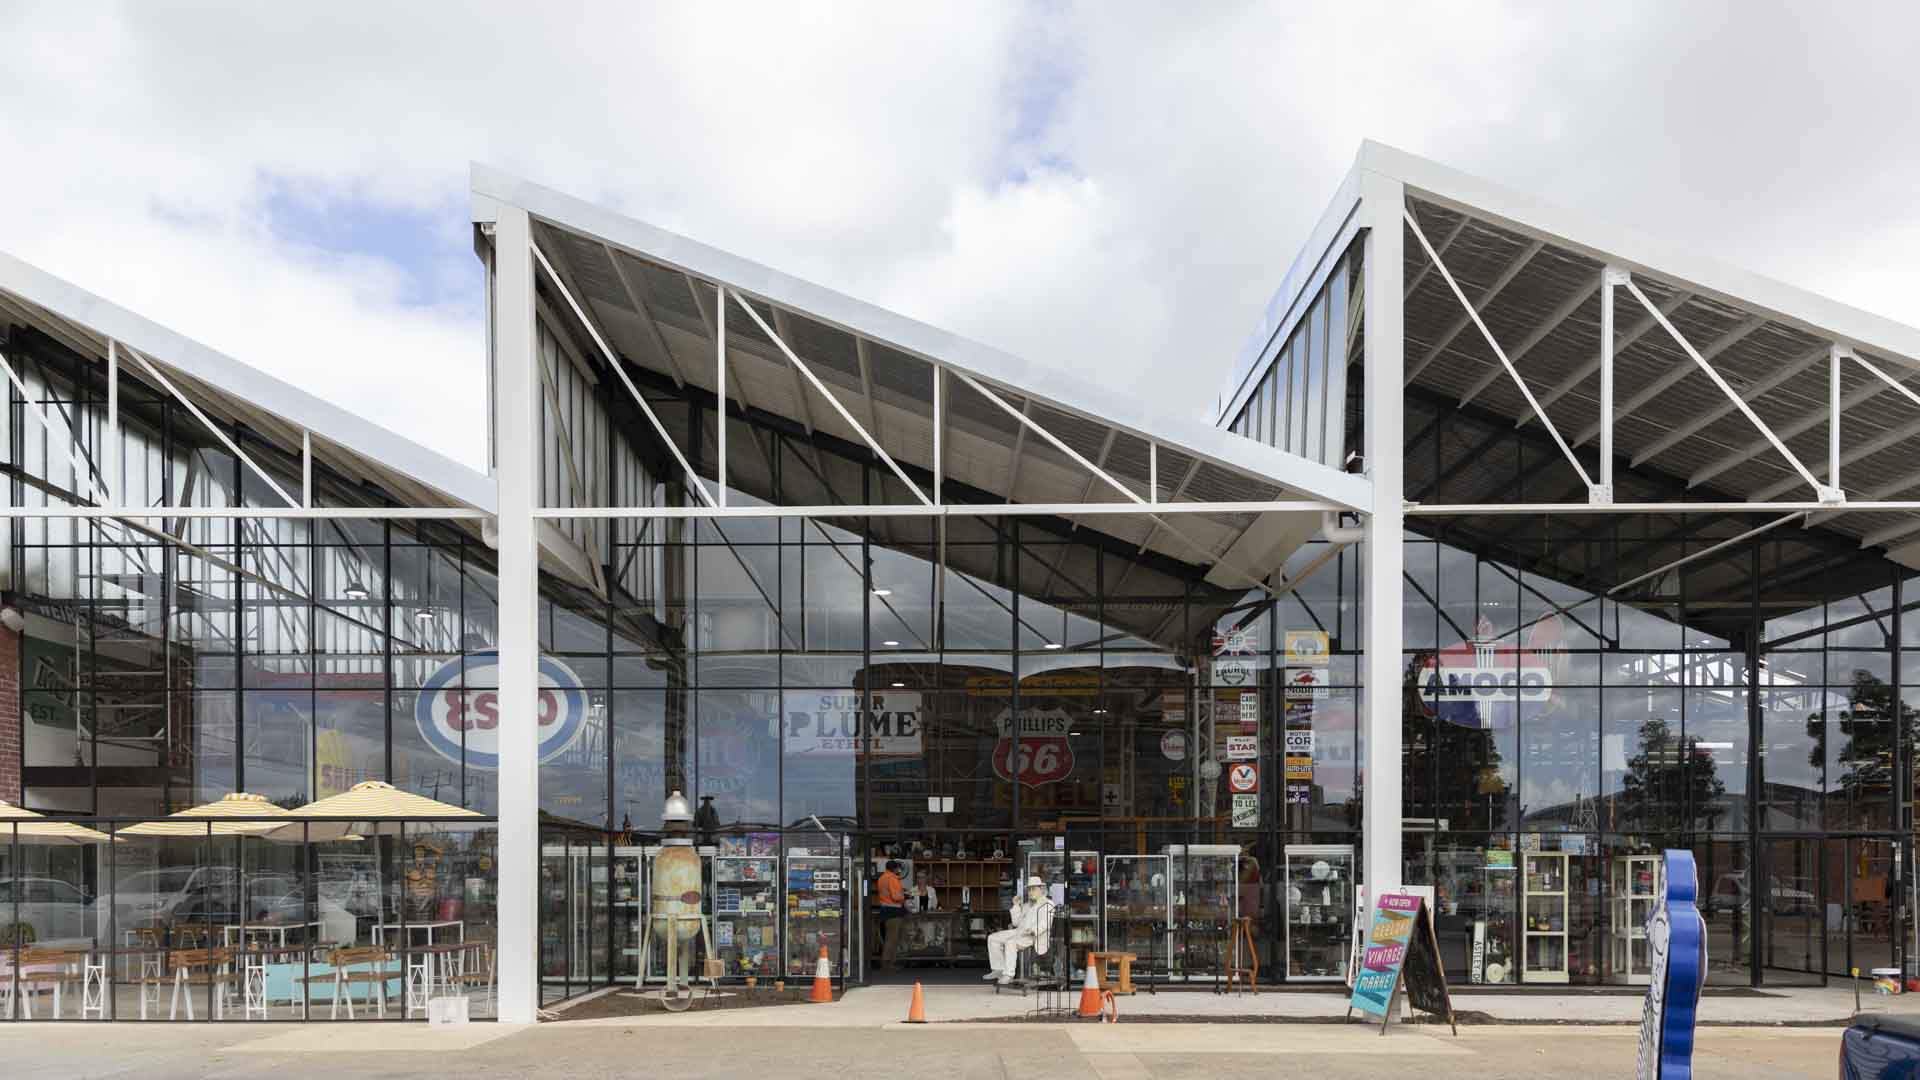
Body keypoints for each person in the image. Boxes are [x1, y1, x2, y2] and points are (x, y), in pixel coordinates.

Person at [984, 875, 1055, 984]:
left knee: (1010, 943)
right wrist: (1016, 905)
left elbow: (1046, 923)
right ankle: (999, 969)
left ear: (1041, 889)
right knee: (993, 938)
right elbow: (1016, 923)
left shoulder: (1048, 904)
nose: (1031, 892)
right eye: (1029, 889)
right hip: (1019, 931)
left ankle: (1008, 974)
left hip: (1033, 936)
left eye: (1034, 889)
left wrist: (1034, 930)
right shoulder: (1027, 905)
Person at [875, 859, 907, 971]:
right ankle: (887, 964)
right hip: (894, 911)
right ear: (895, 868)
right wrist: (905, 896)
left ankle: (888, 963)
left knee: (889, 937)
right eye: (898, 868)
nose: (899, 870)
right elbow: (896, 897)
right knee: (892, 939)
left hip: (885, 909)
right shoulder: (893, 878)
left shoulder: (882, 878)